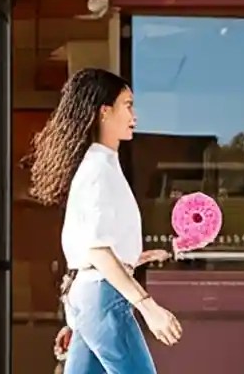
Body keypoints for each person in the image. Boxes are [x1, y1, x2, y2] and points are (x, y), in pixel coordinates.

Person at [26, 68, 181, 374]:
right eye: (128, 105)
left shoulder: (99, 166)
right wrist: (148, 307)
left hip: (90, 298)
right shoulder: (98, 170)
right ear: (104, 112)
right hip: (104, 298)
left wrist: (130, 256)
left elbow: (91, 246)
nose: (134, 114)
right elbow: (96, 251)